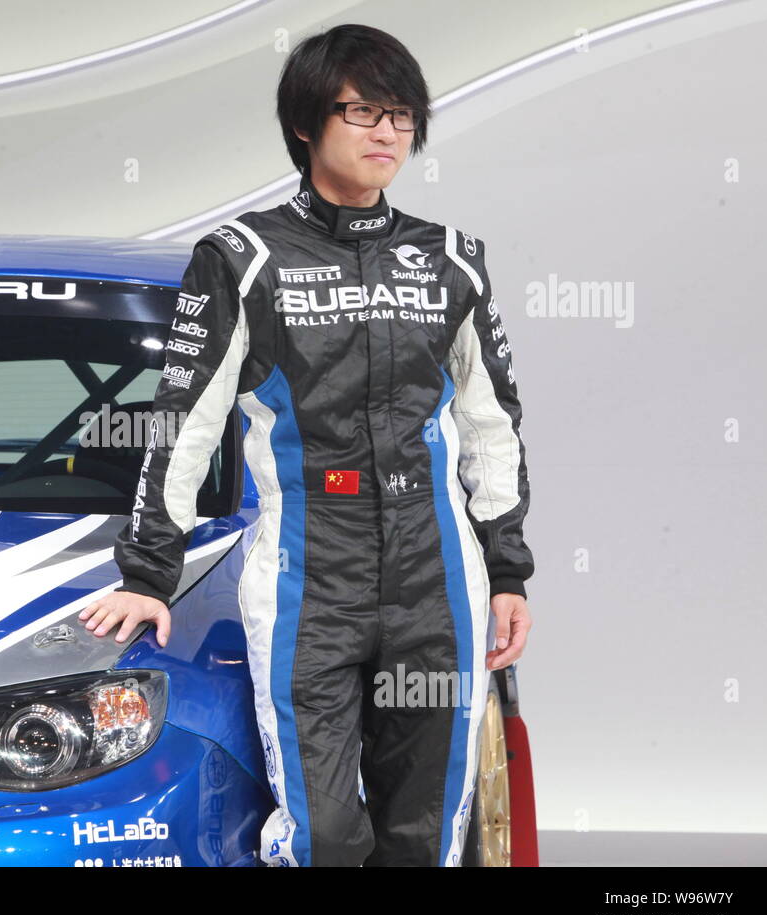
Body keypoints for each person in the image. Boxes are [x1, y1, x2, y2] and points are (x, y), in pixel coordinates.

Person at [78, 23, 534, 867]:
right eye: (364, 111)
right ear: (305, 124)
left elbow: (490, 423)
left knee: (426, 833)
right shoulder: (241, 258)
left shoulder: (451, 262)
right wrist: (148, 574)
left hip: (438, 584)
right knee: (322, 832)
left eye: (402, 115)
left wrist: (506, 570)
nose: (388, 132)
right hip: (305, 582)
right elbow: (186, 418)